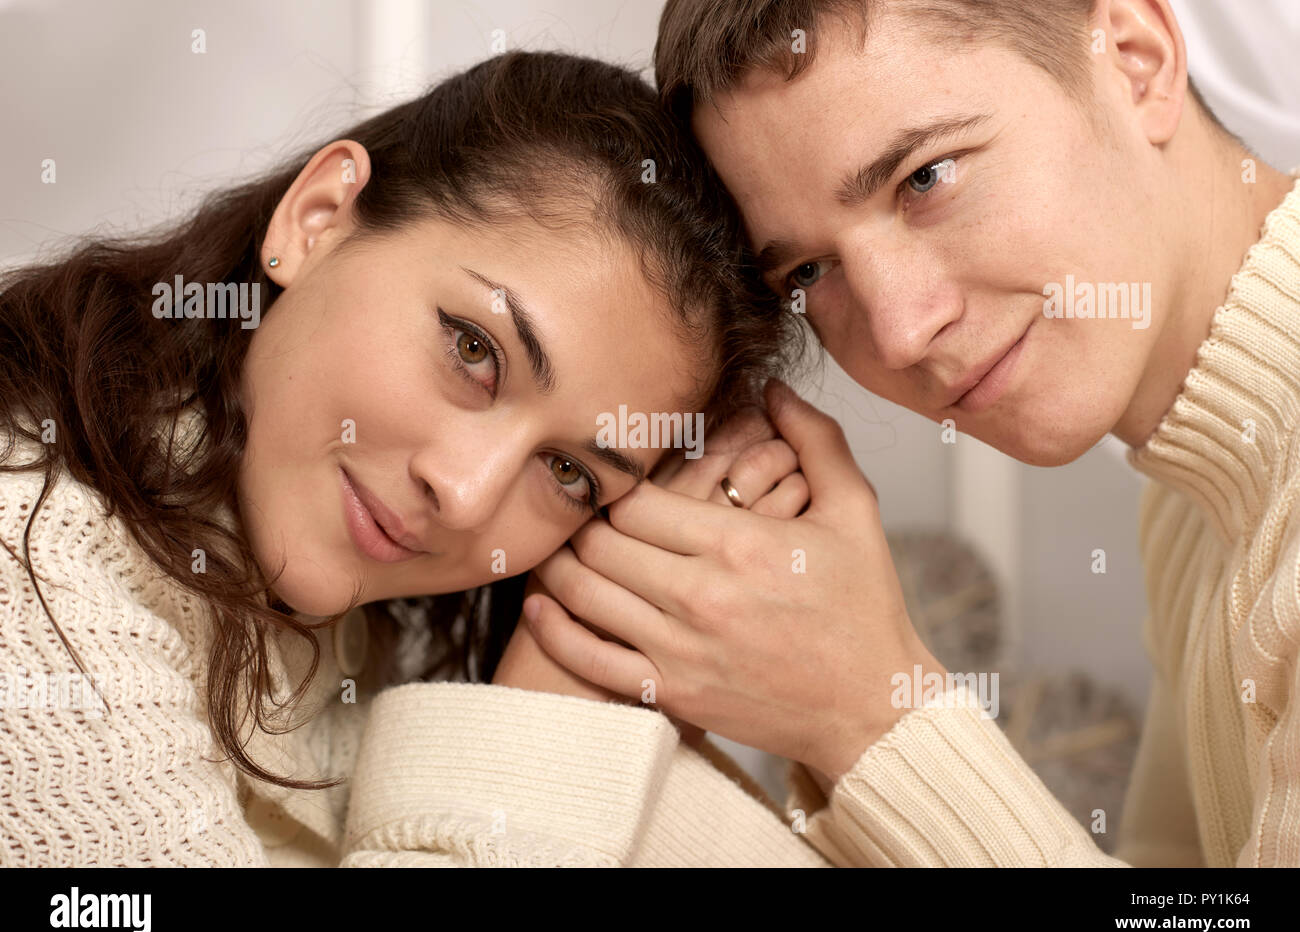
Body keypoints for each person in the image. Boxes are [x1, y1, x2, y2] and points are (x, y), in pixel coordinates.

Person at [0, 50, 837, 866]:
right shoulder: (29, 561)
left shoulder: (365, 650)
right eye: (474, 350)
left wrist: (845, 705)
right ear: (319, 217)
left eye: (570, 473)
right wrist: (543, 723)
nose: (469, 495)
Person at [521, 0, 1300, 866]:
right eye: (810, 271)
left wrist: (865, 715)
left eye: (925, 178)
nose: (896, 331)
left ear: (1135, 60)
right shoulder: (1204, 490)